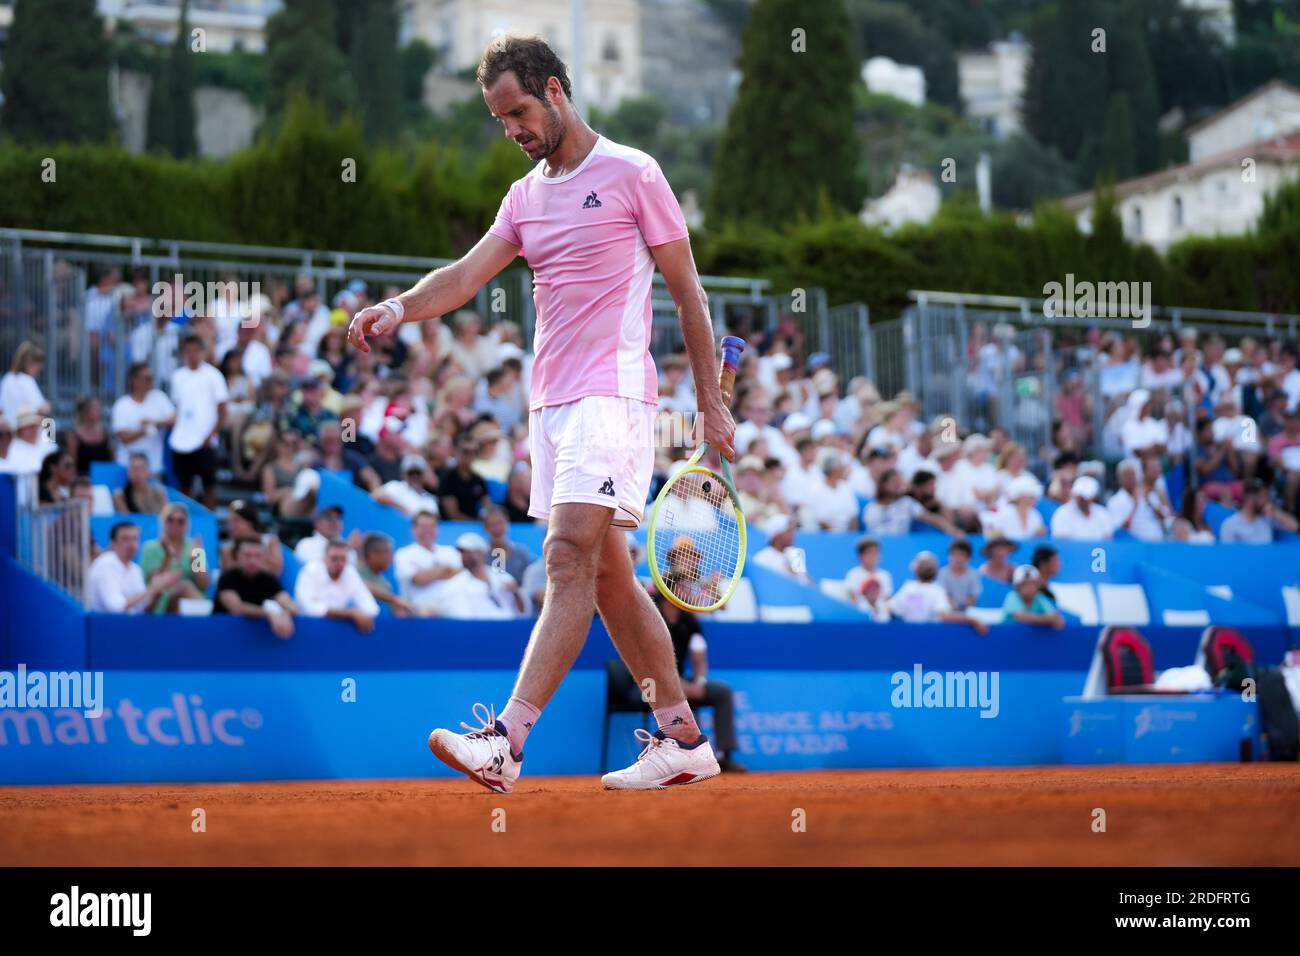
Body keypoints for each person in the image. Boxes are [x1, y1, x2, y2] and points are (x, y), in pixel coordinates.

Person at [349, 34, 730, 792]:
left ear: (556, 91)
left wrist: (710, 401)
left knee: (564, 559)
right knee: (612, 582)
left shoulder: (633, 172)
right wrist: (398, 307)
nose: (512, 130)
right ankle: (684, 740)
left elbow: (689, 292)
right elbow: (463, 277)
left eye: (518, 111)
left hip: (612, 394)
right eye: (499, 120)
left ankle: (507, 739)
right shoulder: (524, 196)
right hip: (550, 405)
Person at [168, 334, 229, 508]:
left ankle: (210, 521)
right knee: (184, 486)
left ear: (203, 352)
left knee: (209, 486)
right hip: (182, 440)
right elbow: (177, 408)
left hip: (205, 441)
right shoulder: (177, 376)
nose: (192, 354)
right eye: (188, 351)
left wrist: (212, 435)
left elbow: (222, 409)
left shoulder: (213, 375)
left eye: (196, 350)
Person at [87, 522, 180, 613]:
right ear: (112, 543)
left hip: (128, 625)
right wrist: (153, 589)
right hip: (104, 626)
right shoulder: (105, 564)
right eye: (125, 539)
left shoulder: (135, 569)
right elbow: (116, 607)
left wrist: (158, 590)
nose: (131, 544)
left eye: (135, 539)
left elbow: (142, 608)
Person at [214, 537, 297, 639]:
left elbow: (291, 605)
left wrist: (285, 613)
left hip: (251, 639)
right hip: (221, 635)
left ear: (264, 558)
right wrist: (270, 613)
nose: (252, 561)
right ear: (237, 556)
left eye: (257, 556)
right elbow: (237, 608)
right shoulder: (227, 578)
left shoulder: (268, 579)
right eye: (247, 555)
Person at [887, 551, 988, 634]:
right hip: (928, 638)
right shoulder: (936, 590)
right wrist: (972, 620)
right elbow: (945, 616)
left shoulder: (908, 588)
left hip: (910, 636)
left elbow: (890, 609)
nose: (926, 567)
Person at [294, 538, 380, 632]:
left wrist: (356, 613)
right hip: (308, 630)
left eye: (343, 559)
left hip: (339, 632)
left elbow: (372, 608)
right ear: (324, 559)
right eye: (334, 558)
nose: (339, 563)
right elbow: (310, 609)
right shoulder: (310, 571)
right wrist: (351, 613)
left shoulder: (350, 572)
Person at [138, 503, 212, 613]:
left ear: (187, 524)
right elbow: (156, 584)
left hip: (190, 600)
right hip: (160, 600)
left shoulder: (195, 547)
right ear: (163, 522)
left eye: (180, 521)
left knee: (186, 587)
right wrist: (168, 559)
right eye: (170, 519)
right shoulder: (151, 547)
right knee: (185, 587)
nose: (175, 524)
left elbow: (204, 585)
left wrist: (195, 559)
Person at [437, 532, 526, 618]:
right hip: (479, 630)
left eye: (471, 551)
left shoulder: (503, 578)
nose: (466, 556)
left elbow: (523, 612)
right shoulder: (455, 585)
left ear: (482, 552)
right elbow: (462, 619)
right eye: (463, 552)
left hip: (509, 628)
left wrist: (516, 593)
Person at [111, 363, 176, 475]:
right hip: (127, 469)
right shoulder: (121, 405)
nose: (151, 382)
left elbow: (175, 420)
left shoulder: (159, 397)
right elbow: (123, 437)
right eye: (147, 379)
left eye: (151, 378)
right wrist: (145, 430)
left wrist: (154, 423)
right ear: (133, 380)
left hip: (154, 468)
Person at [393, 510, 463, 612]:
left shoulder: (450, 551)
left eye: (431, 526)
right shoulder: (403, 554)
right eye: (423, 527)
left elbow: (461, 575)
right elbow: (418, 579)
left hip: (452, 604)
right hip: (419, 607)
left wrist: (429, 573)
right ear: (414, 529)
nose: (427, 530)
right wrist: (445, 569)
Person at [358, 531, 418, 617]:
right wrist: (394, 600)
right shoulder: (354, 572)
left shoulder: (384, 583)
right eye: (387, 552)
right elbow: (359, 586)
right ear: (373, 554)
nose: (391, 557)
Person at [1220, 478, 1299, 543]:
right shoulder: (1230, 524)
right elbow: (1229, 554)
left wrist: (1275, 512)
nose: (1266, 500)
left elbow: (1295, 527)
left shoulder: (1269, 519)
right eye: (1263, 497)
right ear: (1249, 498)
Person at [1049, 475, 1116, 540]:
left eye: (1085, 497)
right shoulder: (1062, 513)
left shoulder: (1103, 514)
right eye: (1079, 495)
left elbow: (1108, 539)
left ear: (1093, 497)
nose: (1082, 499)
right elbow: (1062, 542)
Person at [843, 537, 893, 619]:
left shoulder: (885, 575)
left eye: (876, 553)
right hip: (862, 619)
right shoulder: (853, 574)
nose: (874, 556)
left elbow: (887, 599)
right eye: (870, 553)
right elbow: (853, 599)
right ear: (861, 556)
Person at [0, 342, 50, 424]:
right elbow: (40, 409)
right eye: (38, 367)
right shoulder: (27, 380)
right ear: (31, 364)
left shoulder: (7, 378)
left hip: (9, 432)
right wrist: (48, 406)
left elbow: (1, 409)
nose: (38, 371)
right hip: (24, 432)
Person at [937, 539, 982, 612]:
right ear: (949, 556)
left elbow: (973, 596)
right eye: (954, 554)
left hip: (968, 612)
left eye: (961, 555)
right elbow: (943, 595)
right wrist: (954, 608)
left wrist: (963, 608)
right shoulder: (942, 573)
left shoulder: (974, 574)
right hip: (947, 612)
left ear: (968, 558)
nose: (957, 558)